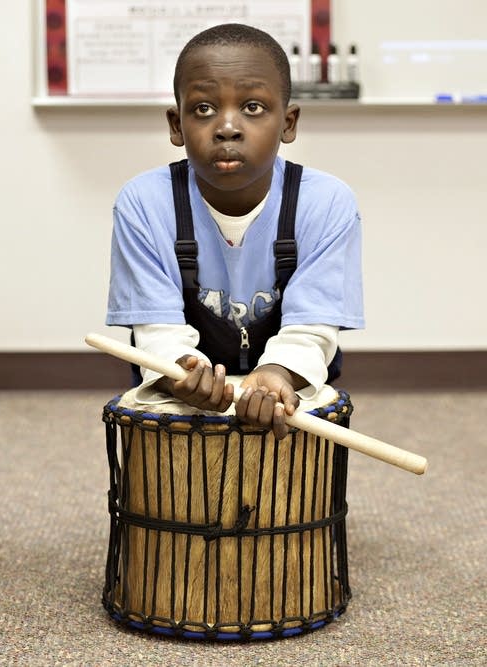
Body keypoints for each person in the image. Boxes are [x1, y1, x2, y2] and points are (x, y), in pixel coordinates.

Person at [106, 23, 363, 438]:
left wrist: (278, 373)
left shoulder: (326, 201)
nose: (227, 126)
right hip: (181, 393)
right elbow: (156, 334)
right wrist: (181, 371)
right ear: (176, 124)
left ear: (288, 123)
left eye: (253, 107)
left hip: (287, 388)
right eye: (204, 109)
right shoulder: (144, 202)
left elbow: (312, 330)